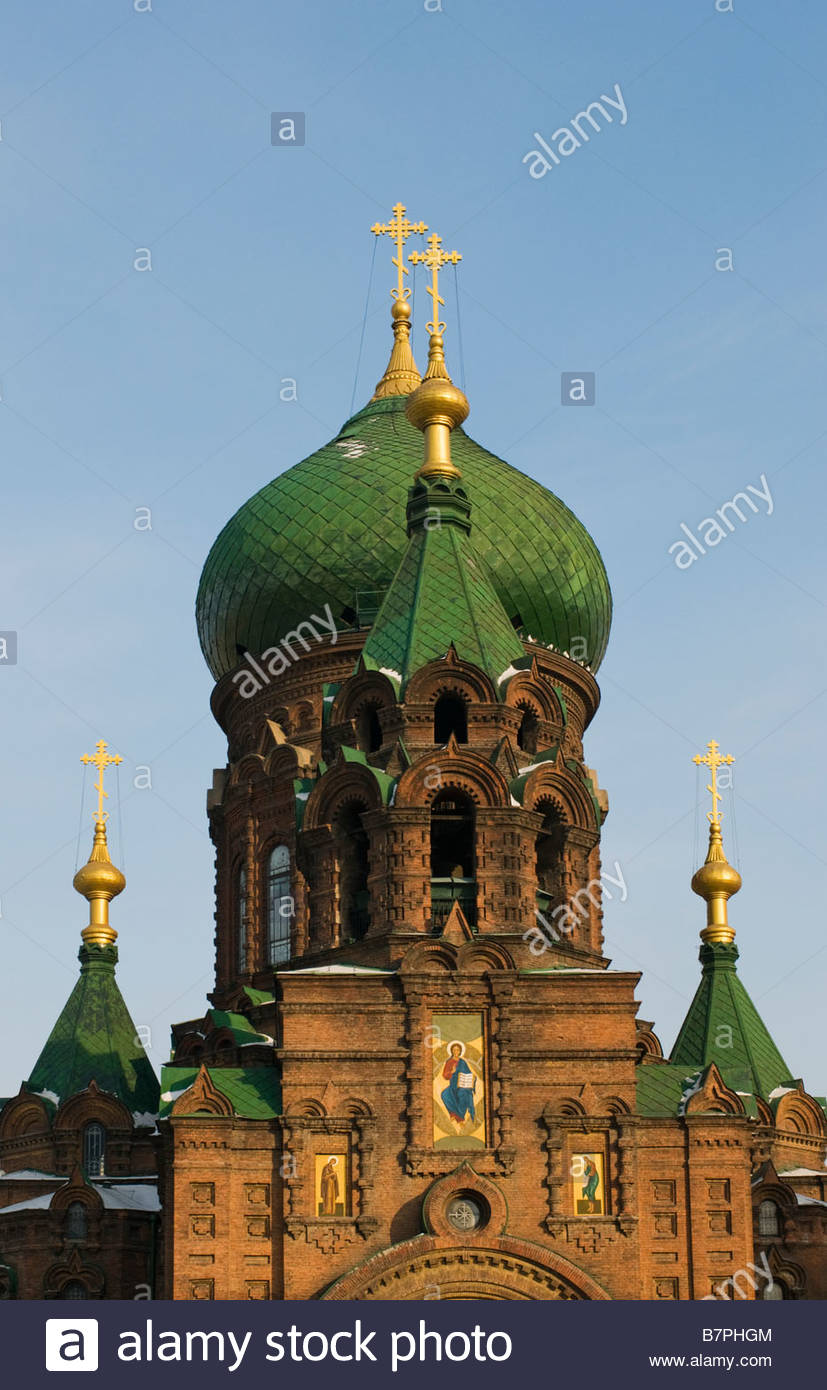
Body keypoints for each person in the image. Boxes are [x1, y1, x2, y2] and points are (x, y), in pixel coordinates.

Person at [441, 1043, 476, 1128]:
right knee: (444, 1094)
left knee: (463, 1095)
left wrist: (473, 1077)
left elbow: (468, 1072)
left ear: (460, 1051)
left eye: (457, 1050)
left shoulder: (462, 1062)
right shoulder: (449, 1062)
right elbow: (445, 1075)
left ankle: (459, 1118)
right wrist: (451, 1072)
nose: (456, 1051)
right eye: (454, 1050)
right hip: (453, 1085)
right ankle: (455, 1115)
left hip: (463, 1085)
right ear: (451, 1051)